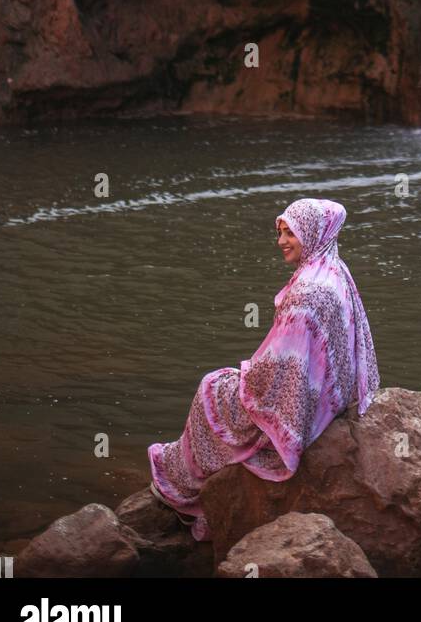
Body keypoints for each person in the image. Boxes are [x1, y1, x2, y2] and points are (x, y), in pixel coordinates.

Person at [147, 197, 380, 541]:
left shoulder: (308, 292)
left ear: (315, 234)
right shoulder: (334, 271)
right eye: (281, 232)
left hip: (301, 406)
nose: (281, 241)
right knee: (226, 383)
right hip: (328, 398)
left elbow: (280, 371)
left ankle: (182, 493)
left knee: (211, 388)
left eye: (291, 233)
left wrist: (246, 380)